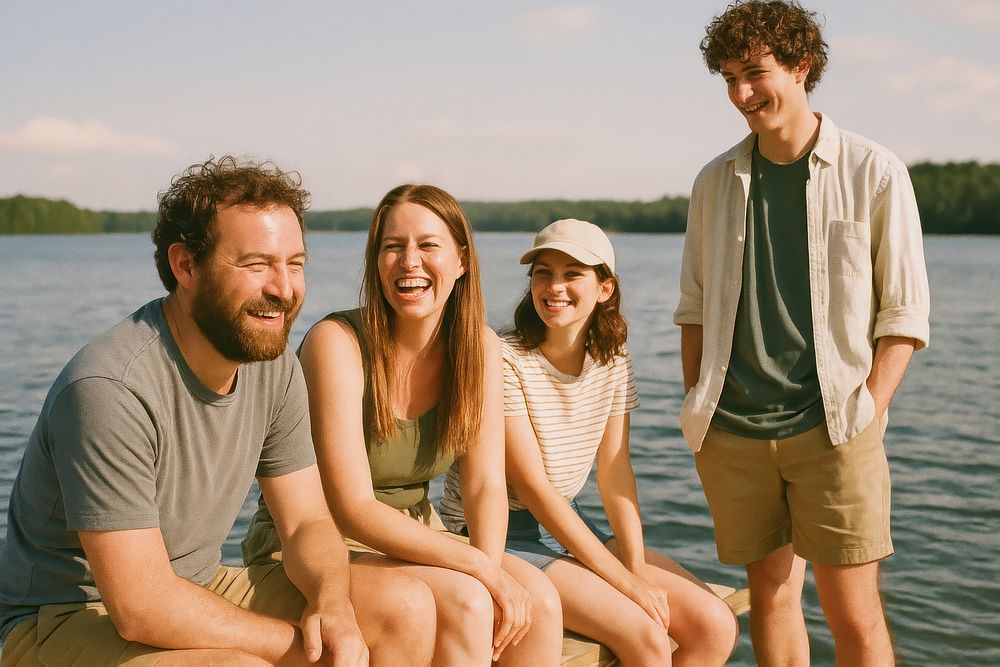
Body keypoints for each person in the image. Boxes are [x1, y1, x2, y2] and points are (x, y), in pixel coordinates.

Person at [0, 157, 436, 666]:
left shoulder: (267, 360)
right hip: (63, 617)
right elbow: (140, 606)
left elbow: (305, 524)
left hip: (198, 581)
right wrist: (302, 650)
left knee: (402, 606)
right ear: (185, 265)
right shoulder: (109, 389)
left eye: (294, 263)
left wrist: (332, 604)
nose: (284, 289)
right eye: (256, 265)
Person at [676, 2, 931, 664]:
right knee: (771, 599)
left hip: (837, 429)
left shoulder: (876, 172)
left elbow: (903, 315)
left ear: (802, 66)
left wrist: (867, 408)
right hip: (734, 431)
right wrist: (699, 400)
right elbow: (696, 306)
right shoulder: (713, 181)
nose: (740, 93)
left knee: (854, 612)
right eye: (729, 77)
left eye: (754, 73)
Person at [243, 184, 563, 666]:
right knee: (471, 600)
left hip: (417, 539)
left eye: (427, 245)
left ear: (462, 260)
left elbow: (484, 486)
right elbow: (352, 508)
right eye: (393, 247)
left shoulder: (480, 348)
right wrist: (476, 569)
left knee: (537, 600)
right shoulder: (338, 343)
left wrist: (490, 567)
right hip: (319, 550)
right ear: (376, 262)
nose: (409, 261)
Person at [440, 219, 739, 666]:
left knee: (715, 627)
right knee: (648, 639)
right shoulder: (502, 357)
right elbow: (535, 489)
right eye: (543, 272)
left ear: (604, 288)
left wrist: (634, 566)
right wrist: (622, 580)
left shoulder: (613, 359)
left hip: (567, 524)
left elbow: (615, 472)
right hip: (499, 533)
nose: (554, 286)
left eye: (572, 273)